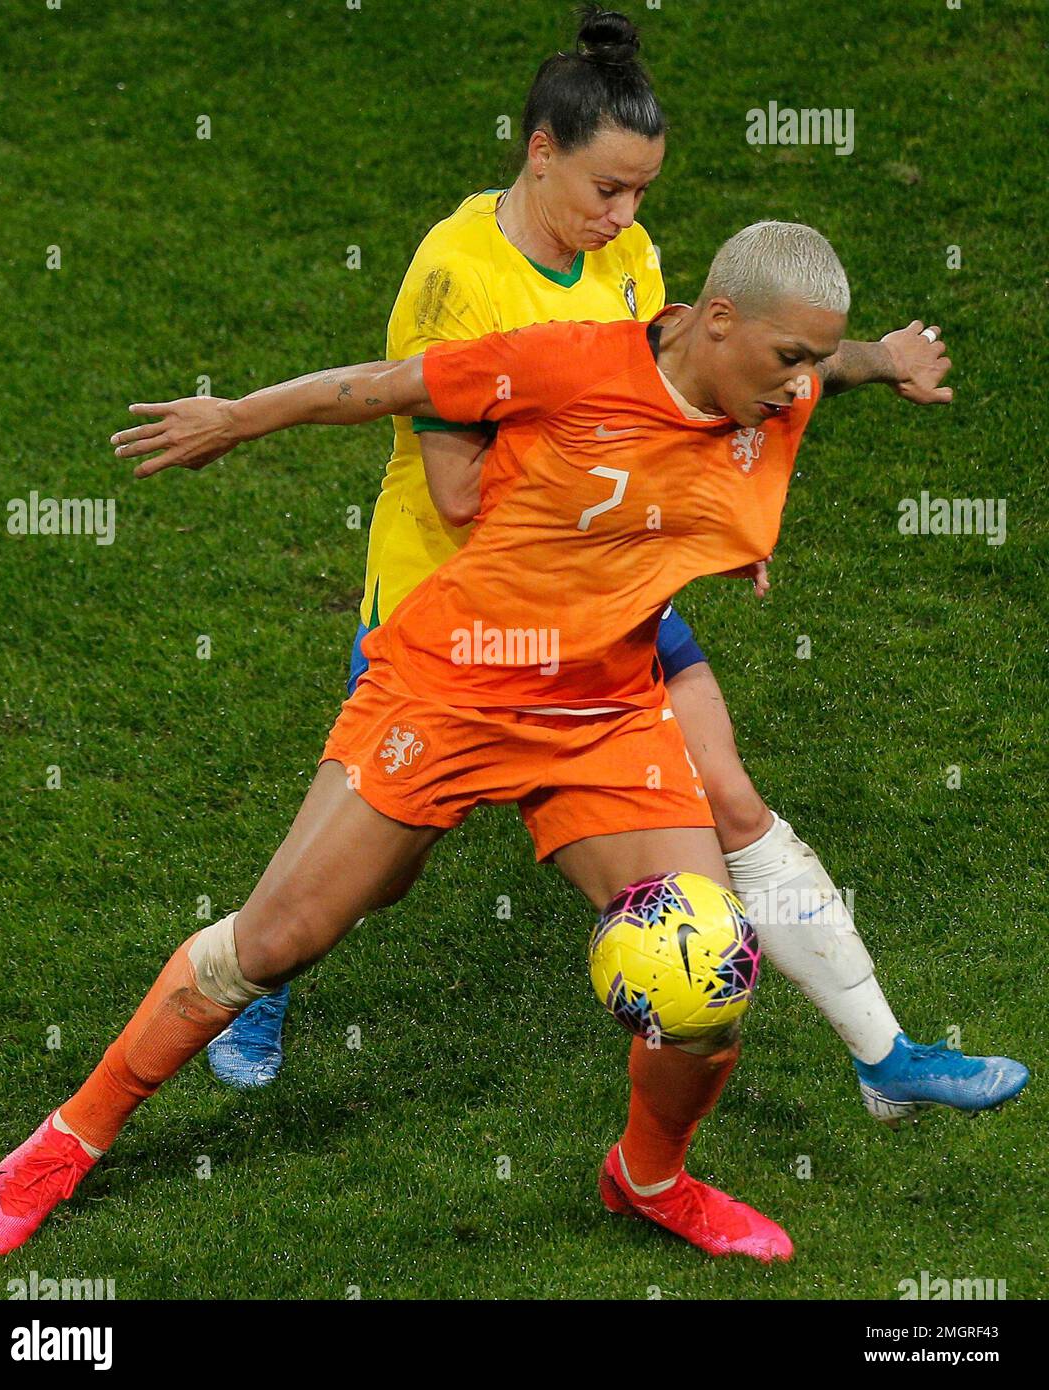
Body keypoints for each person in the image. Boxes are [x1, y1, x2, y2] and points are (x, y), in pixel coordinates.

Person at [0, 223, 1025, 1266]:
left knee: (708, 974)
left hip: (603, 709)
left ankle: (648, 1178)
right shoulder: (568, 365)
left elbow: (827, 363)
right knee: (274, 941)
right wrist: (237, 416)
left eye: (811, 359)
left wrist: (883, 360)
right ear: (713, 321)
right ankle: (68, 1139)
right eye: (787, 356)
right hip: (452, 688)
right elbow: (383, 385)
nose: (801, 382)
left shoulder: (772, 379)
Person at [201, 7, 1021, 1126]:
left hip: (610, 601)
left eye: (640, 193)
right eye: (605, 190)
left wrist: (871, 370)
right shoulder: (458, 275)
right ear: (539, 151)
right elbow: (455, 488)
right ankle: (261, 976)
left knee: (728, 799)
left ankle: (883, 1054)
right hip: (461, 610)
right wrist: (660, 514)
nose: (625, 217)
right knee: (377, 877)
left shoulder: (624, 257)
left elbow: (702, 384)